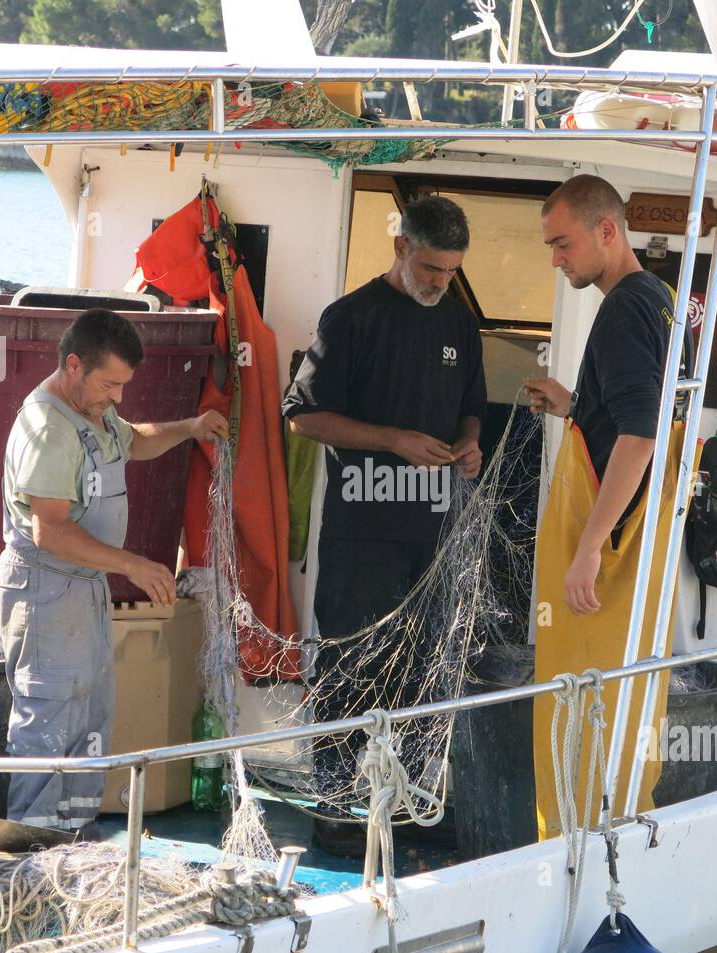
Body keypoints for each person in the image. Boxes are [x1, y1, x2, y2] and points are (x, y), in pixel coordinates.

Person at [283, 195, 487, 853]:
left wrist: (470, 442)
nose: (439, 282)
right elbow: (303, 416)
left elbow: (472, 409)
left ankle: (409, 801)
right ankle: (338, 812)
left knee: (425, 666)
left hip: (431, 535)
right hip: (362, 532)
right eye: (430, 267)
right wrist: (391, 439)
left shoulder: (459, 322)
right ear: (400, 247)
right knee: (352, 667)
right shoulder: (349, 318)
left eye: (450, 271)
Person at [0, 308, 227, 836]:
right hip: (45, 592)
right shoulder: (49, 428)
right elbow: (49, 530)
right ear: (73, 366)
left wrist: (190, 428)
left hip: (85, 592)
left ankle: (74, 845)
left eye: (123, 385)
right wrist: (135, 565)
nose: (117, 396)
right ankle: (29, 861)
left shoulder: (91, 413)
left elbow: (134, 440)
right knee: (48, 726)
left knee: (90, 724)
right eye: (110, 384)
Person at [524, 174, 693, 833]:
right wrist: (576, 404)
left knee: (581, 707)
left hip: (612, 560)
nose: (556, 258)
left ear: (607, 230)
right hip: (643, 552)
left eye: (562, 243)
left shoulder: (622, 309)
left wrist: (589, 547)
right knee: (625, 706)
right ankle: (619, 828)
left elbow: (641, 435)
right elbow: (633, 412)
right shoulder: (658, 298)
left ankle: (574, 845)